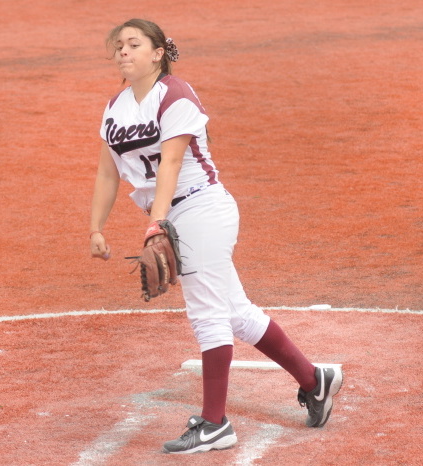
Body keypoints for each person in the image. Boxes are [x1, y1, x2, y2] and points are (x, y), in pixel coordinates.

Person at [89, 18, 343, 454]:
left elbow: (171, 163)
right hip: (174, 215)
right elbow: (107, 172)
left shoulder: (176, 95)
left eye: (134, 44)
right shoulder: (116, 107)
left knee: (207, 315)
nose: (123, 52)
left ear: (157, 53)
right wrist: (96, 226)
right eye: (118, 46)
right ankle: (314, 380)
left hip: (201, 209)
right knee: (236, 314)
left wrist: (157, 222)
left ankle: (214, 423)